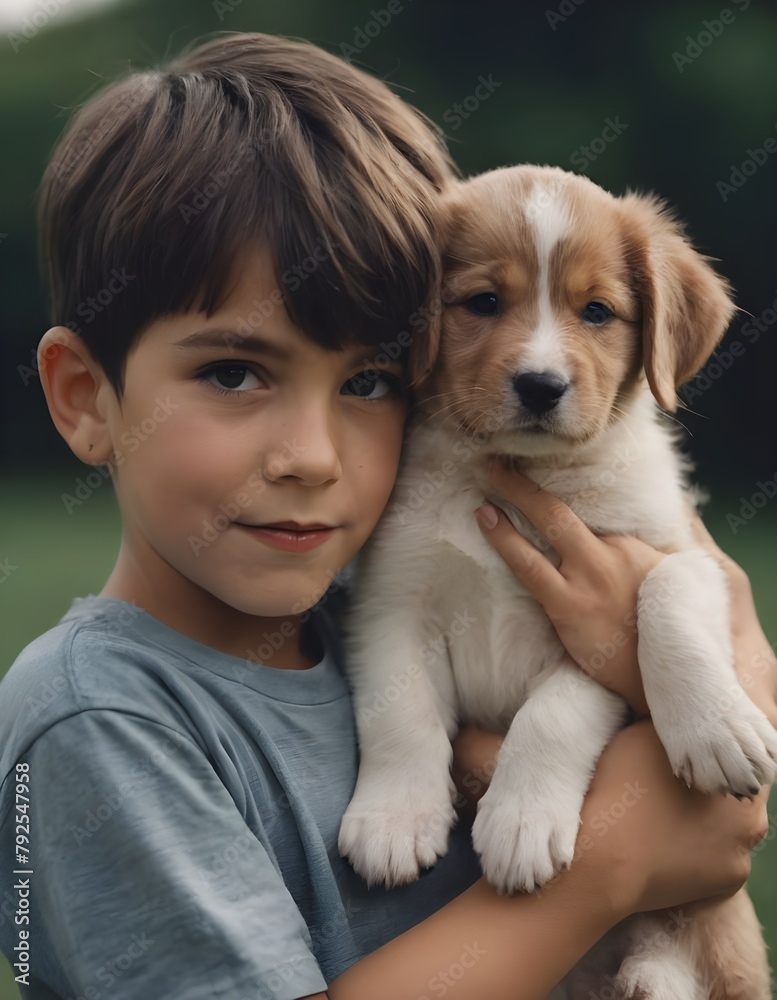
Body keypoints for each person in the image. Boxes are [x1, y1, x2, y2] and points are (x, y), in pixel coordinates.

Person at [0, 30, 773, 1000]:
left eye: (369, 380)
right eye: (233, 373)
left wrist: (696, 686)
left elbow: (718, 643)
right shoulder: (97, 721)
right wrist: (607, 870)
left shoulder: (344, 616)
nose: (311, 456)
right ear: (83, 397)